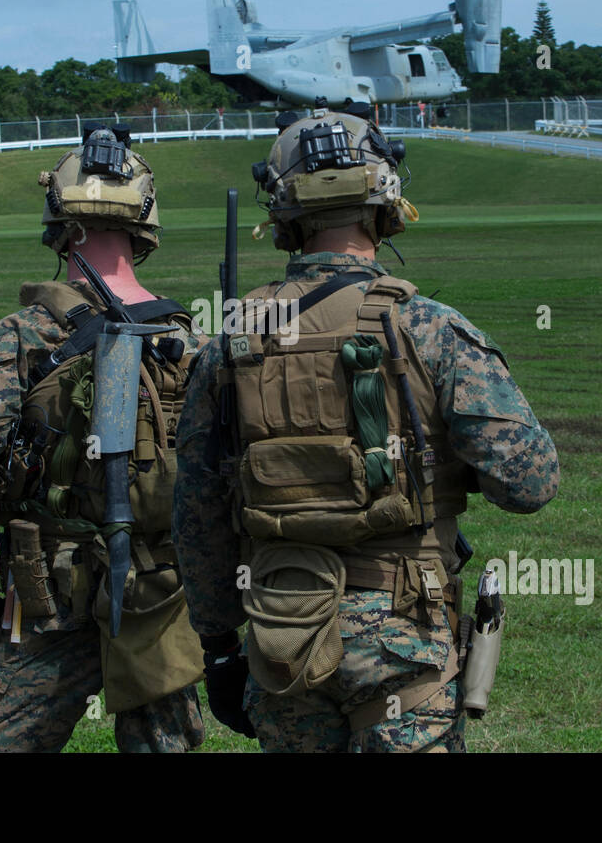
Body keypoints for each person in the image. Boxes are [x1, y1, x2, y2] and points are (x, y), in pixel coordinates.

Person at [172, 105, 560, 752]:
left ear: (285, 214)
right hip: (404, 636)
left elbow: (197, 514)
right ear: (385, 202)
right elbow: (529, 483)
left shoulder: (232, 341)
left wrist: (217, 648)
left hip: (283, 636)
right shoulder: (430, 329)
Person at [0, 124, 205, 752]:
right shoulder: (193, 345)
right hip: (160, 594)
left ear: (58, 221)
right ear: (144, 222)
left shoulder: (22, 336)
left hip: (47, 593)